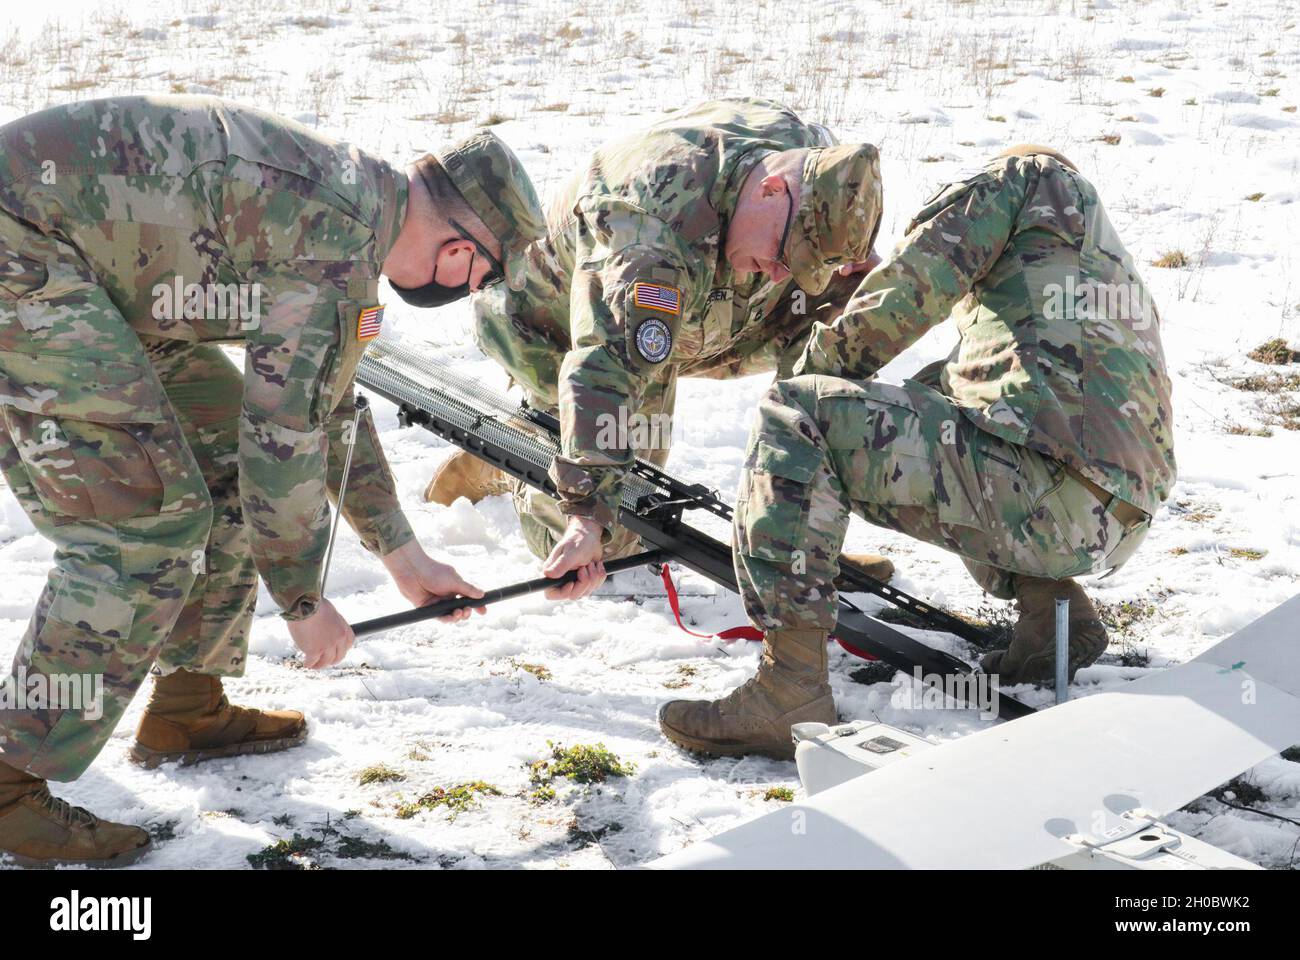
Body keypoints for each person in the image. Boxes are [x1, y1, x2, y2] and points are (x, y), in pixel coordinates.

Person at [0, 95, 543, 866]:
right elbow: (284, 437)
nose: (464, 288)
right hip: (25, 258)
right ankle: (8, 790)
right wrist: (303, 600)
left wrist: (402, 554)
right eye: (481, 277)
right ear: (462, 254)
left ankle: (186, 707)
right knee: (141, 529)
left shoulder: (357, 205)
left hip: (82, 274)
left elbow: (324, 403)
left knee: (216, 455)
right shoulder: (337, 241)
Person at [659, 145, 1176, 759]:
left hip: (1048, 498)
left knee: (800, 412)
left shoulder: (1012, 184)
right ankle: (1053, 611)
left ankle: (788, 689)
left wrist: (797, 410)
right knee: (943, 388)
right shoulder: (1091, 250)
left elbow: (901, 297)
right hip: (1113, 519)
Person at [421, 98, 892, 600]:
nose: (780, 273)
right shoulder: (646, 224)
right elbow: (607, 364)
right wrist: (584, 516)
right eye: (783, 254)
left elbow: (833, 236)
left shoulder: (811, 165)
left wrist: (849, 271)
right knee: (616, 536)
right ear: (771, 191)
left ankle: (797, 542)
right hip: (553, 324)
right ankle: (507, 461)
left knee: (838, 319)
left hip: (700, 303)